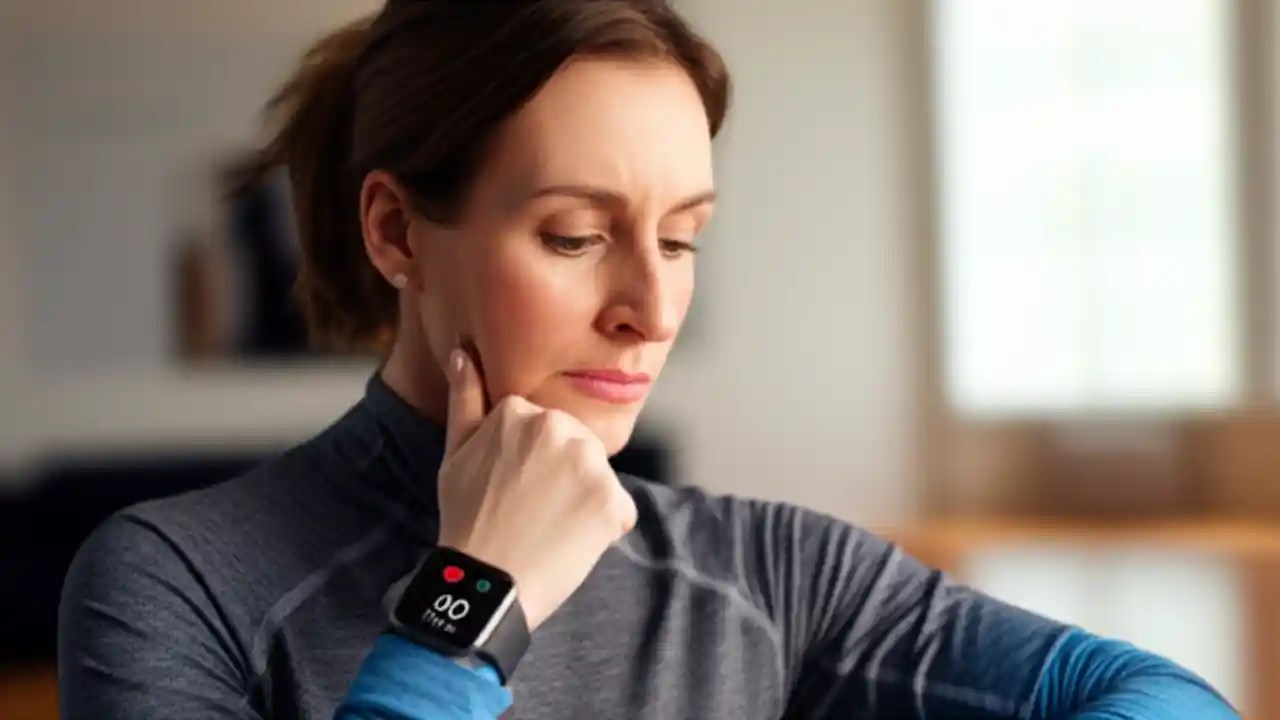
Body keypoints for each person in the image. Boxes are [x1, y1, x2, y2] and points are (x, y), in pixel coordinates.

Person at [57, 1, 1240, 718]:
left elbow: (1161, 698)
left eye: (680, 239)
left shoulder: (768, 575)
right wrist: (474, 591)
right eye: (575, 236)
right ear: (396, 232)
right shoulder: (172, 585)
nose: (651, 307)